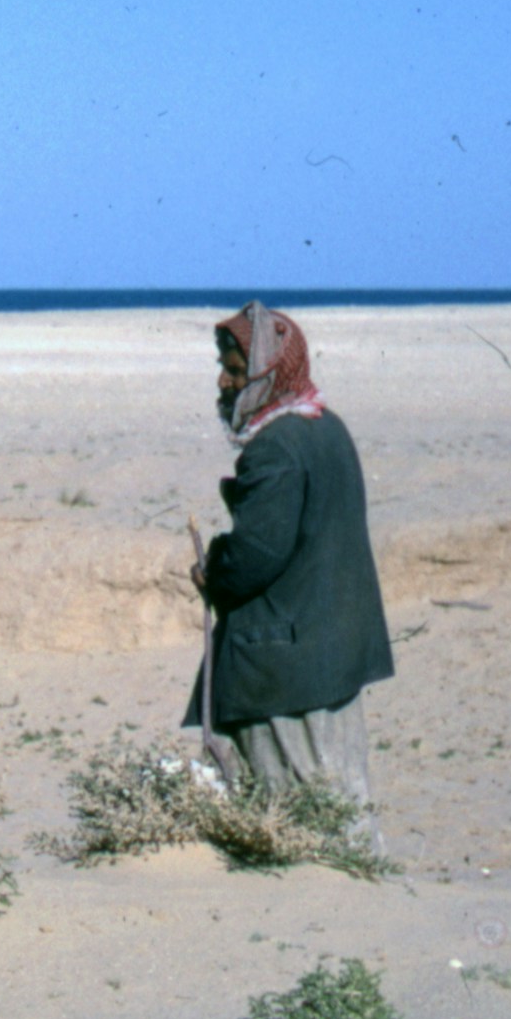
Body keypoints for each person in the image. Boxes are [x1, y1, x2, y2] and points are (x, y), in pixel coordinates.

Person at [183, 302, 393, 815]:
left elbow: (257, 553)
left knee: (297, 812)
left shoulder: (275, 447)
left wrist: (214, 568)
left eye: (235, 372)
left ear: (268, 375)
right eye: (224, 370)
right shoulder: (327, 426)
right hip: (333, 656)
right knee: (342, 803)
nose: (224, 383)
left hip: (285, 666)